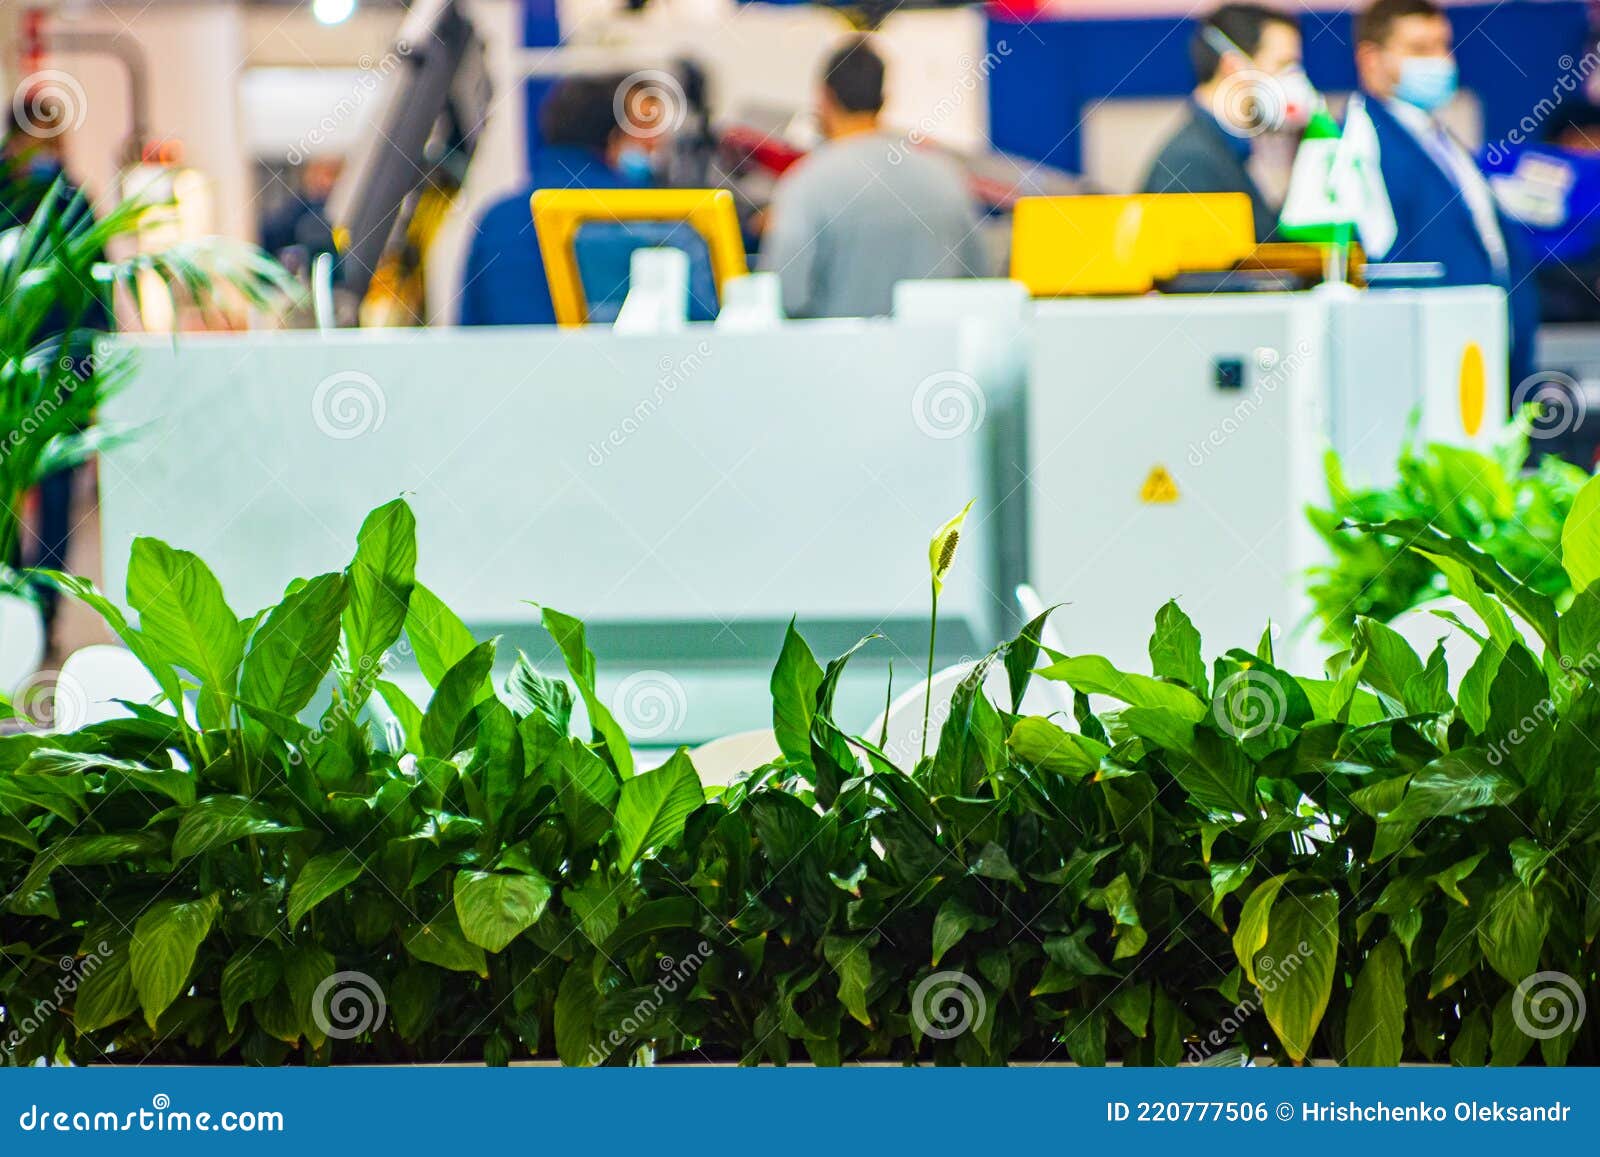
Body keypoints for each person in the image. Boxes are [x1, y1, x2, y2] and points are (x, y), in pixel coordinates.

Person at [1351, 0, 1539, 384]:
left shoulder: (1441, 140)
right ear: (1371, 60)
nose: (1440, 61)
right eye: (1420, 49)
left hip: (1488, 363)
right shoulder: (1363, 143)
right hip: (1433, 370)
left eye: (1443, 46)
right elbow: (1381, 266)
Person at [761, 36, 986, 319]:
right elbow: (980, 280)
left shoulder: (805, 185)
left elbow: (787, 297)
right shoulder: (946, 177)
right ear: (884, 100)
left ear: (824, 99)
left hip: (837, 358)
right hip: (934, 359)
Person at [457, 74, 667, 326]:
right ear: (613, 139)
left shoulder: (495, 218)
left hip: (510, 365)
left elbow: (469, 328)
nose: (655, 145)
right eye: (644, 131)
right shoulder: (644, 215)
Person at [1142, 4, 1311, 242]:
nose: (1295, 79)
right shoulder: (1190, 162)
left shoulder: (1230, 150)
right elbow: (1217, 273)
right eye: (1283, 65)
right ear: (1233, 67)